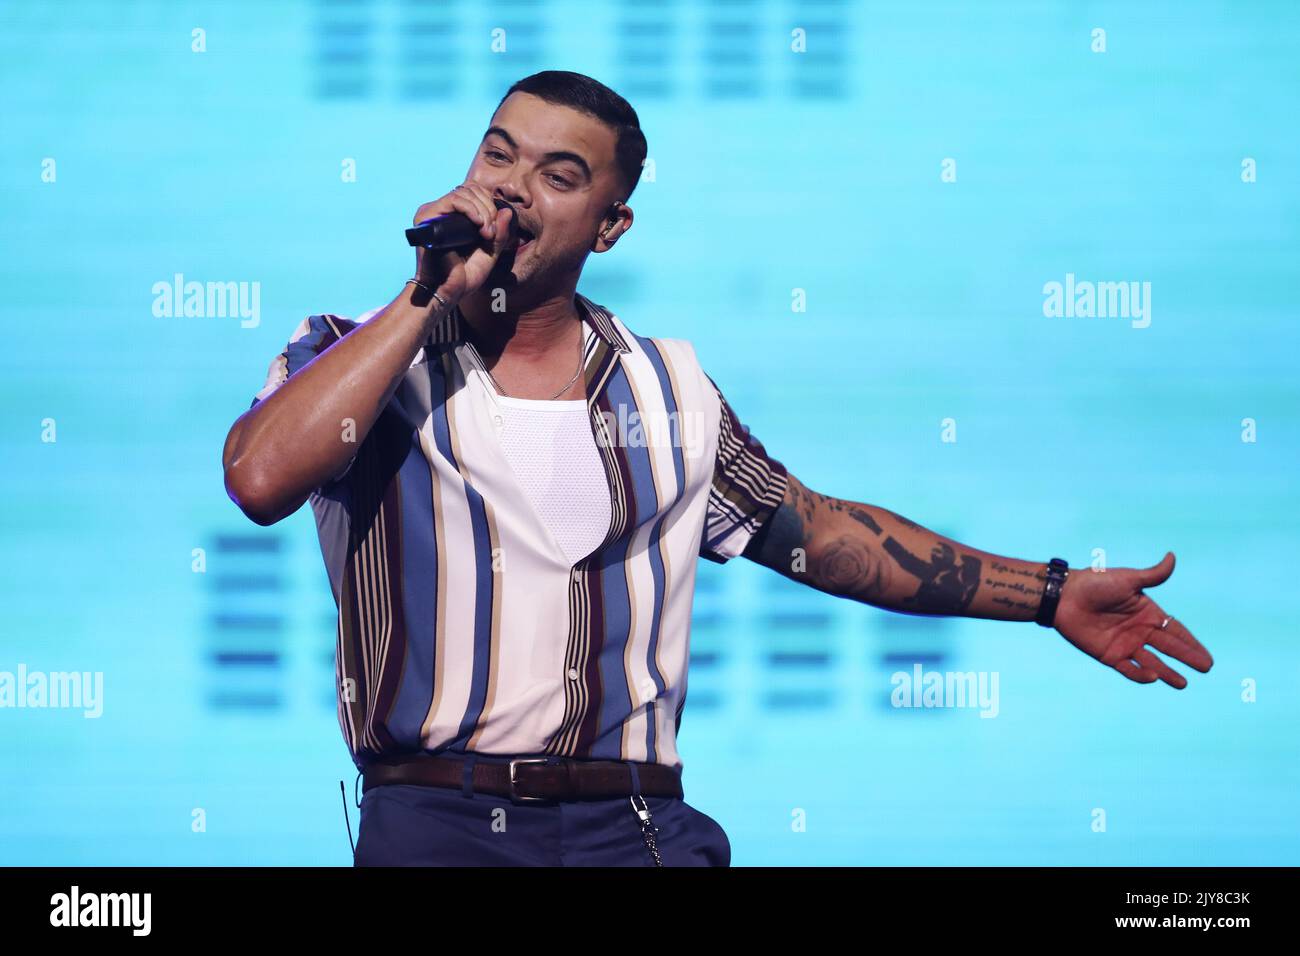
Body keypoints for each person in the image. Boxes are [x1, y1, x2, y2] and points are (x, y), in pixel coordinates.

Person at [221, 70, 1213, 867]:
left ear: (610, 226)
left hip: (636, 827)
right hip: (437, 825)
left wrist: (1048, 594)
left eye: (561, 176)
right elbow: (259, 476)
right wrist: (424, 298)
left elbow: (820, 535)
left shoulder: (668, 386)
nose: (514, 187)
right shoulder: (357, 353)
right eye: (499, 153)